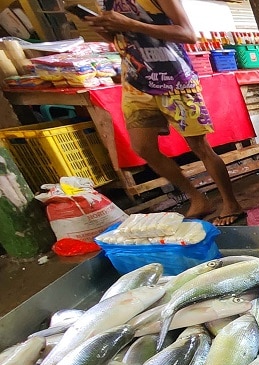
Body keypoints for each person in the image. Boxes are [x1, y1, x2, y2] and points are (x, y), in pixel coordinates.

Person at [88, 0, 244, 226]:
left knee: (200, 147)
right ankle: (197, 198)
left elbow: (188, 34)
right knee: (143, 148)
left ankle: (231, 203)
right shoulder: (104, 2)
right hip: (136, 84)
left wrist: (130, 24)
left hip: (175, 82)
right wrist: (106, 30)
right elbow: (122, 40)